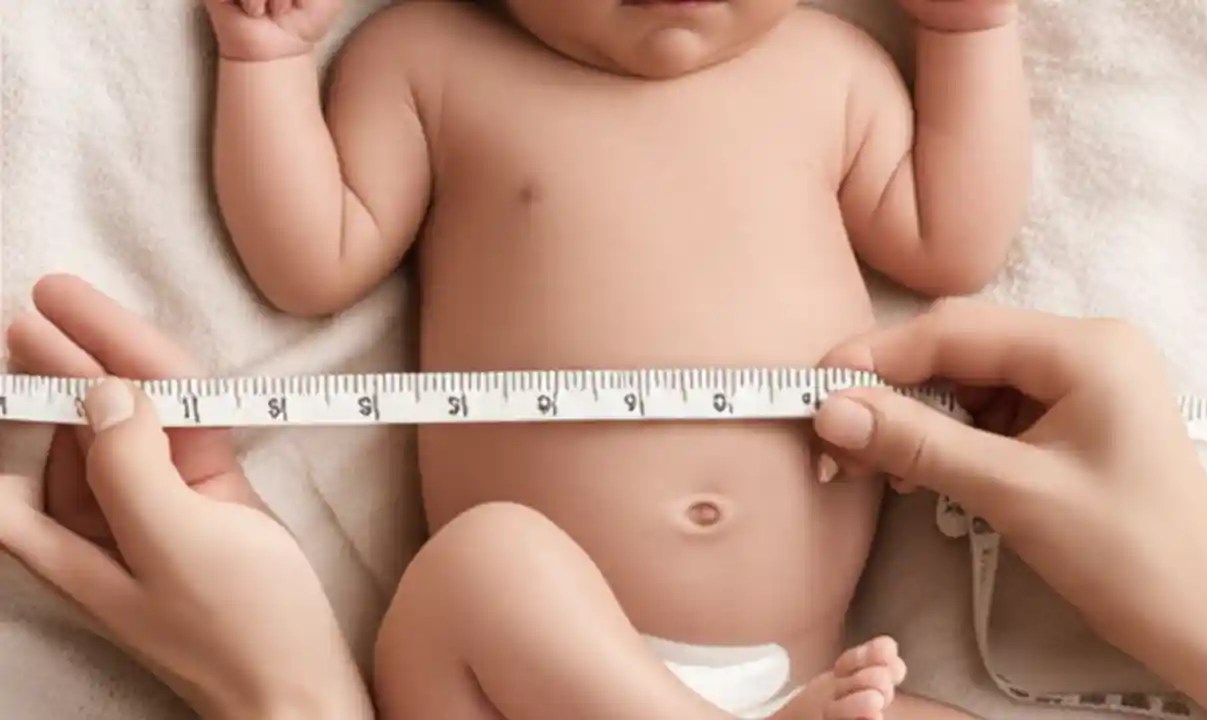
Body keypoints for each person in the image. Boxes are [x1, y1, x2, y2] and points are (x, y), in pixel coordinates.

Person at [200, 0, 1031, 713]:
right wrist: (268, 56)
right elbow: (312, 262)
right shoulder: (428, 60)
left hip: (802, 686)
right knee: (483, 564)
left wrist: (964, 27)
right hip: (503, 679)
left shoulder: (833, 69)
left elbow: (949, 243)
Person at [0, 282, 1207, 720]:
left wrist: (285, 696)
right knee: (487, 569)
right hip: (765, 681)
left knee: (487, 563)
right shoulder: (442, 56)